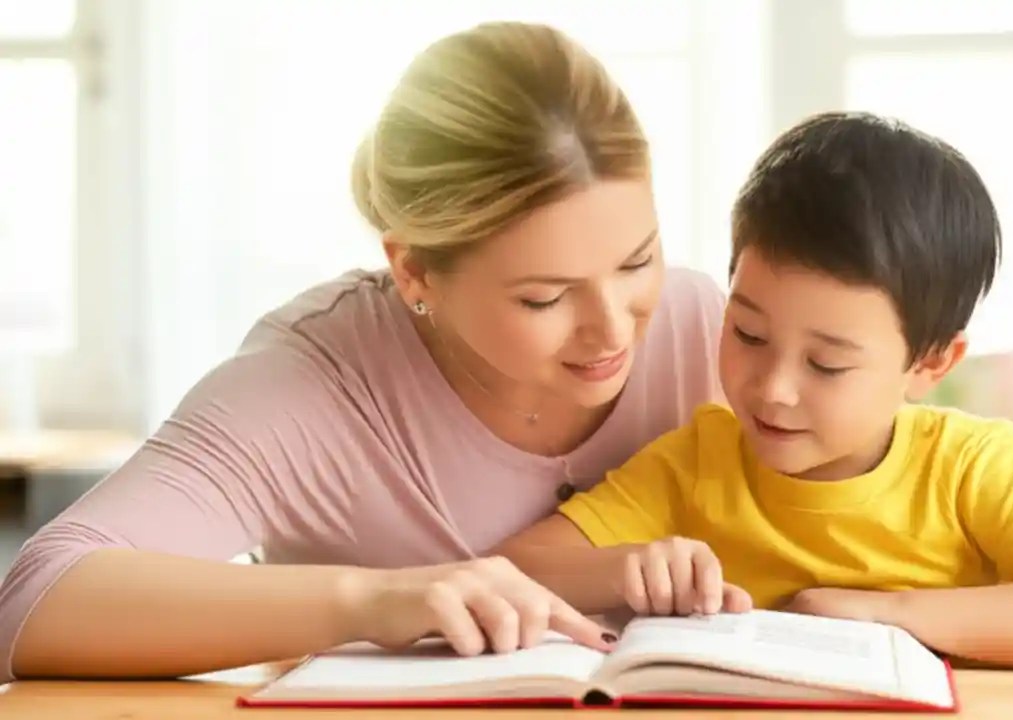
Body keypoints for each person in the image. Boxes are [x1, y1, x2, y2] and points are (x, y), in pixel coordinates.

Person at [0, 21, 728, 682]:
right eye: (545, 297)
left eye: (637, 262)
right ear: (413, 270)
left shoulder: (705, 330)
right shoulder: (317, 380)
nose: (613, 330)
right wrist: (375, 599)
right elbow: (34, 602)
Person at [498, 112, 1013, 673]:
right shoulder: (697, 463)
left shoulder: (969, 468)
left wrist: (888, 614)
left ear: (931, 362)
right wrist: (627, 568)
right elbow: (517, 567)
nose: (773, 390)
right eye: (749, 334)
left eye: (827, 365)